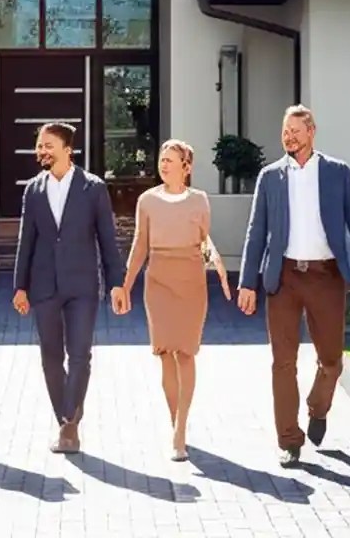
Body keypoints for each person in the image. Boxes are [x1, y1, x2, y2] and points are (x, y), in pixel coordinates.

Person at [237, 104, 350, 467]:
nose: (289, 136)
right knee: (282, 362)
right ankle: (289, 439)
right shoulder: (270, 177)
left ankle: (318, 407)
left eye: (295, 130)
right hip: (283, 278)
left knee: (331, 360)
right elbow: (256, 232)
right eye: (285, 131)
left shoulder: (337, 172)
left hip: (327, 277)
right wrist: (247, 282)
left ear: (312, 131)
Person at [13, 121, 126, 454]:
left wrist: (117, 282)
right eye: (39, 145)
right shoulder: (33, 190)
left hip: (82, 286)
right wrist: (20, 286)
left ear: (67, 149)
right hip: (44, 284)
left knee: (79, 355)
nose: (41, 151)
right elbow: (26, 241)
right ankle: (68, 412)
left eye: (48, 145)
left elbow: (107, 239)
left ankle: (69, 424)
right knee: (50, 356)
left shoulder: (93, 188)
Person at [121, 139, 231, 461]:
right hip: (158, 282)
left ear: (187, 166)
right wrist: (125, 285)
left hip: (191, 282)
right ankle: (175, 423)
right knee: (165, 353)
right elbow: (140, 245)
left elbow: (203, 242)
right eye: (162, 159)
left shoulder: (199, 201)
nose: (164, 164)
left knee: (185, 353)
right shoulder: (147, 201)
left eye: (171, 160)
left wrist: (220, 268)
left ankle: (181, 429)